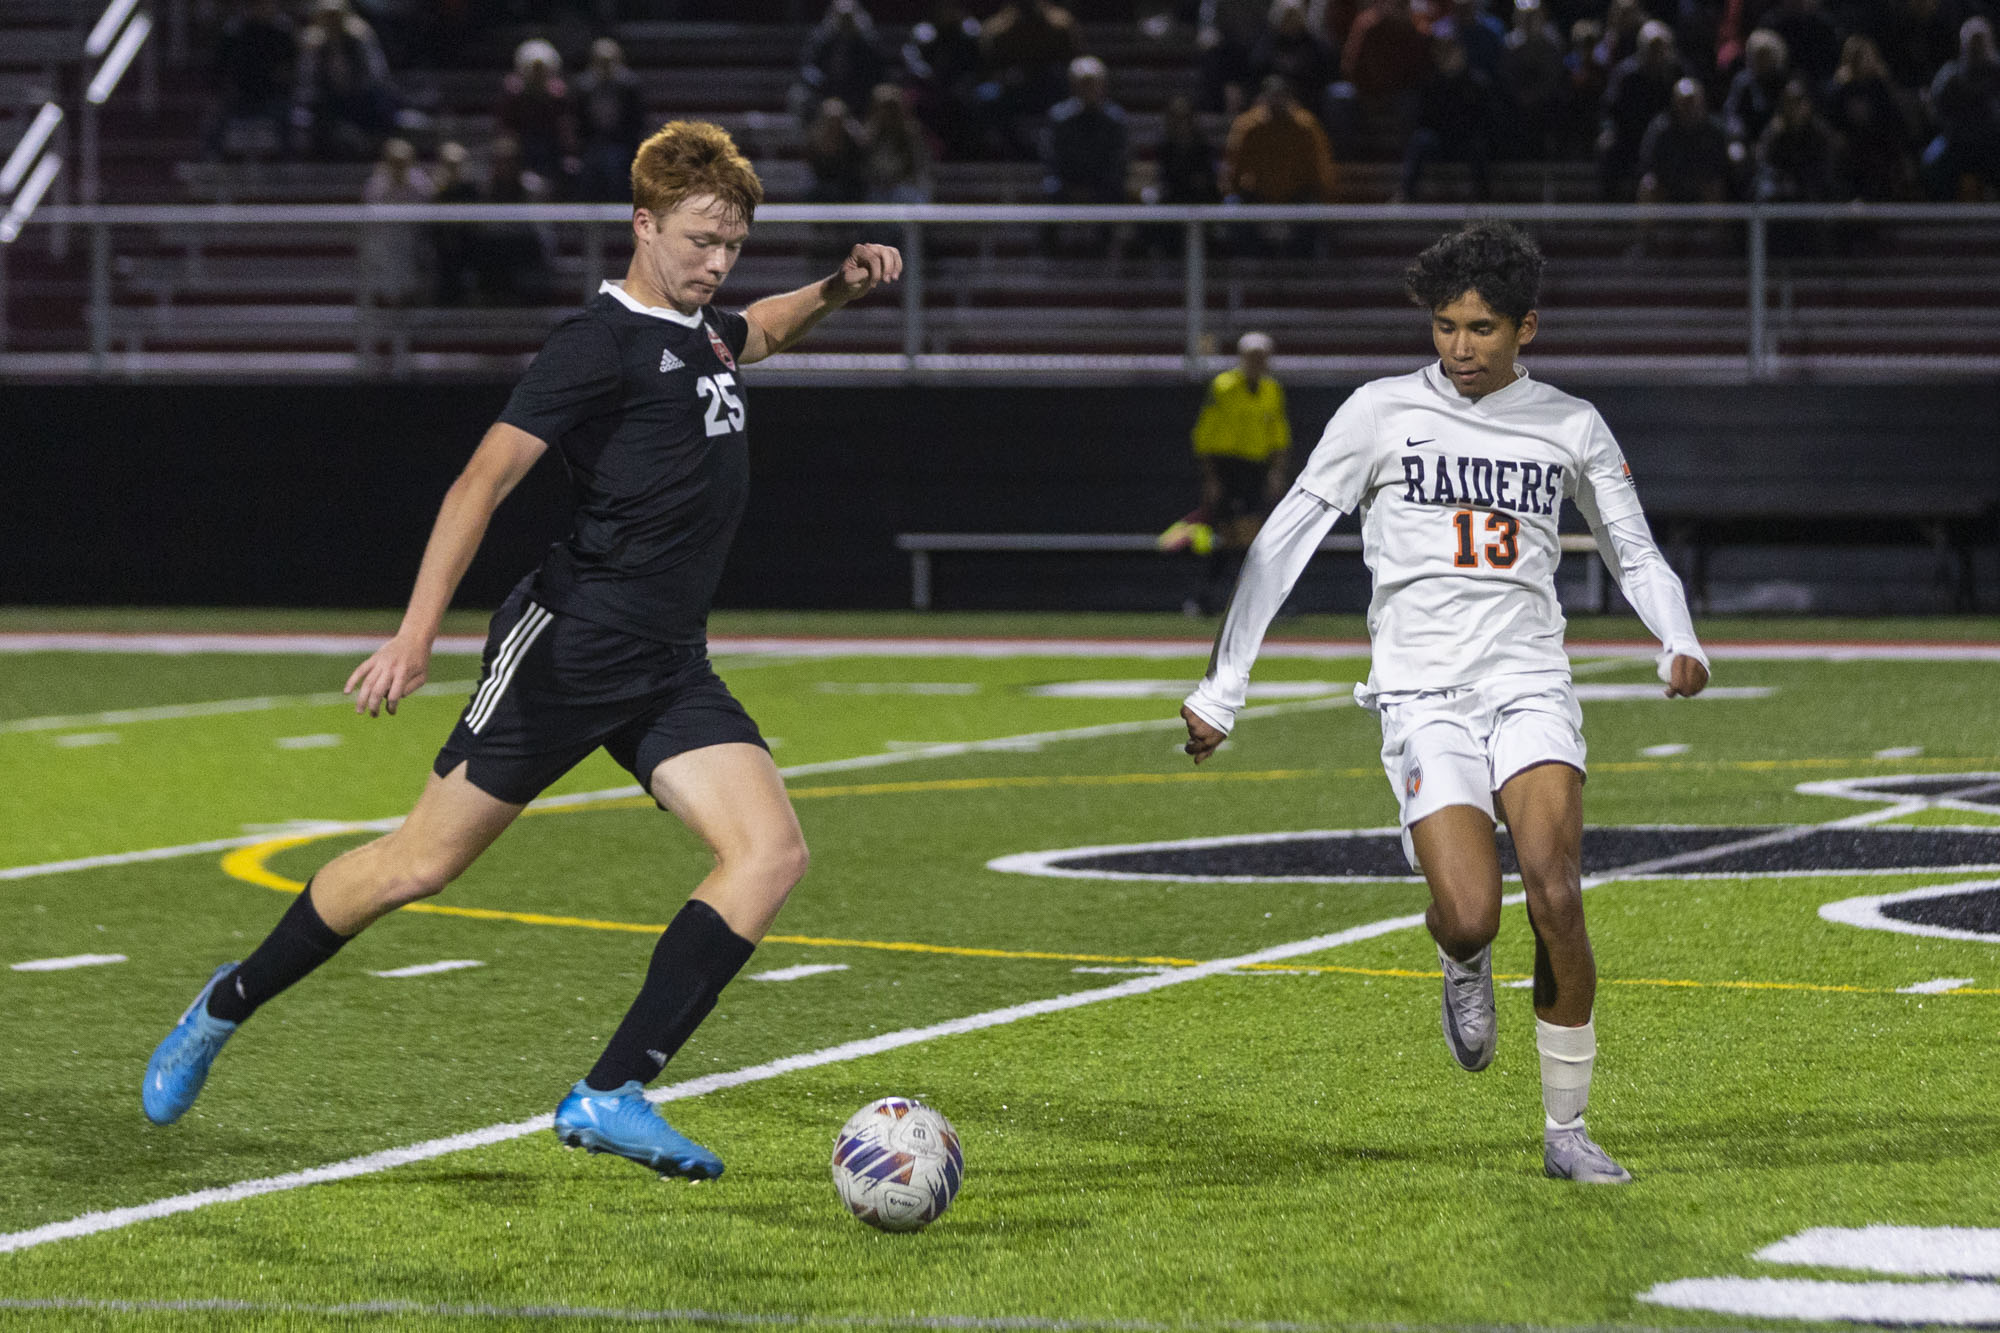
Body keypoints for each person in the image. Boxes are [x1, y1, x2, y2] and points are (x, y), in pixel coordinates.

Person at [141, 121, 904, 1183]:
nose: (715, 262)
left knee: (770, 853)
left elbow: (757, 331)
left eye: (730, 243)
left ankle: (609, 1091)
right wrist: (416, 632)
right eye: (696, 240)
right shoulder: (595, 342)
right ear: (642, 225)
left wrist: (835, 288)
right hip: (567, 649)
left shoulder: (703, 327)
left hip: (667, 662)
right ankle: (226, 1004)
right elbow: (479, 482)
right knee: (416, 865)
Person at [1179, 221, 1710, 1185]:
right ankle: (1460, 960)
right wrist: (1224, 687)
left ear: (1526, 329)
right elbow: (1285, 539)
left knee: (1556, 894)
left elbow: (1633, 548)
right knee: (1471, 915)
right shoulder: (1379, 412)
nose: (1460, 347)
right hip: (1421, 694)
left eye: (1482, 328)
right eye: (1444, 326)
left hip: (1530, 682)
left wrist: (1679, 637)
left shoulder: (1570, 423)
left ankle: (1567, 1132)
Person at [1187, 331, 1291, 615]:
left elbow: (1278, 436)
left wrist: (1275, 473)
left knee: (1250, 535)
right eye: (1252, 356)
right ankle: (1212, 598)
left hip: (1255, 469)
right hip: (1227, 467)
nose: (1257, 362)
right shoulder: (1224, 386)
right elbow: (1205, 435)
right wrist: (1211, 478)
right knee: (1228, 535)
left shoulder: (1272, 390)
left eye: (1262, 357)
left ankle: (1240, 600)